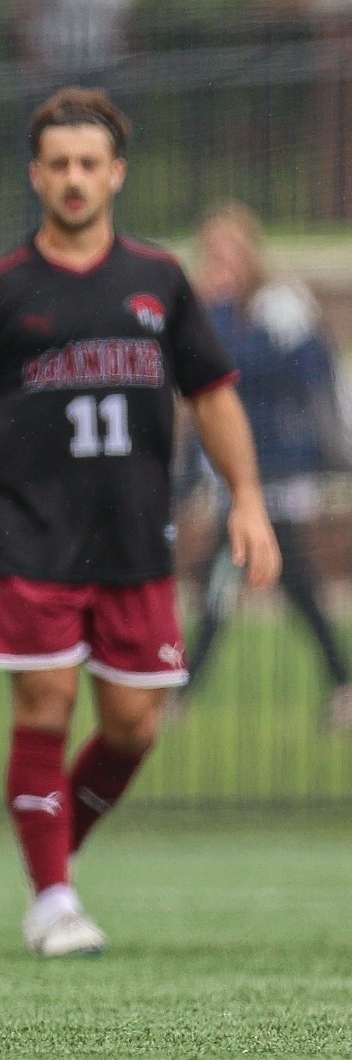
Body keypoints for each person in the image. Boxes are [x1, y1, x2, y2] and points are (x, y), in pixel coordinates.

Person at [0, 88, 280, 958]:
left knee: (134, 723)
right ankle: (54, 894)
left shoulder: (160, 282)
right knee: (47, 702)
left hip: (135, 541)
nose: (75, 178)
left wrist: (248, 499)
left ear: (117, 173)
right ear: (36, 174)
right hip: (30, 538)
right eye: (59, 163)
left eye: (91, 163)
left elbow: (213, 398)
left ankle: (53, 851)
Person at [181, 203, 352, 732]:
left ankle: (181, 695)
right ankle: (343, 685)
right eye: (213, 254)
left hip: (277, 470)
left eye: (230, 252)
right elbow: (201, 396)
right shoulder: (211, 315)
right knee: (284, 582)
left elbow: (301, 372)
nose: (221, 263)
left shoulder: (279, 307)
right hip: (235, 472)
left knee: (233, 575)